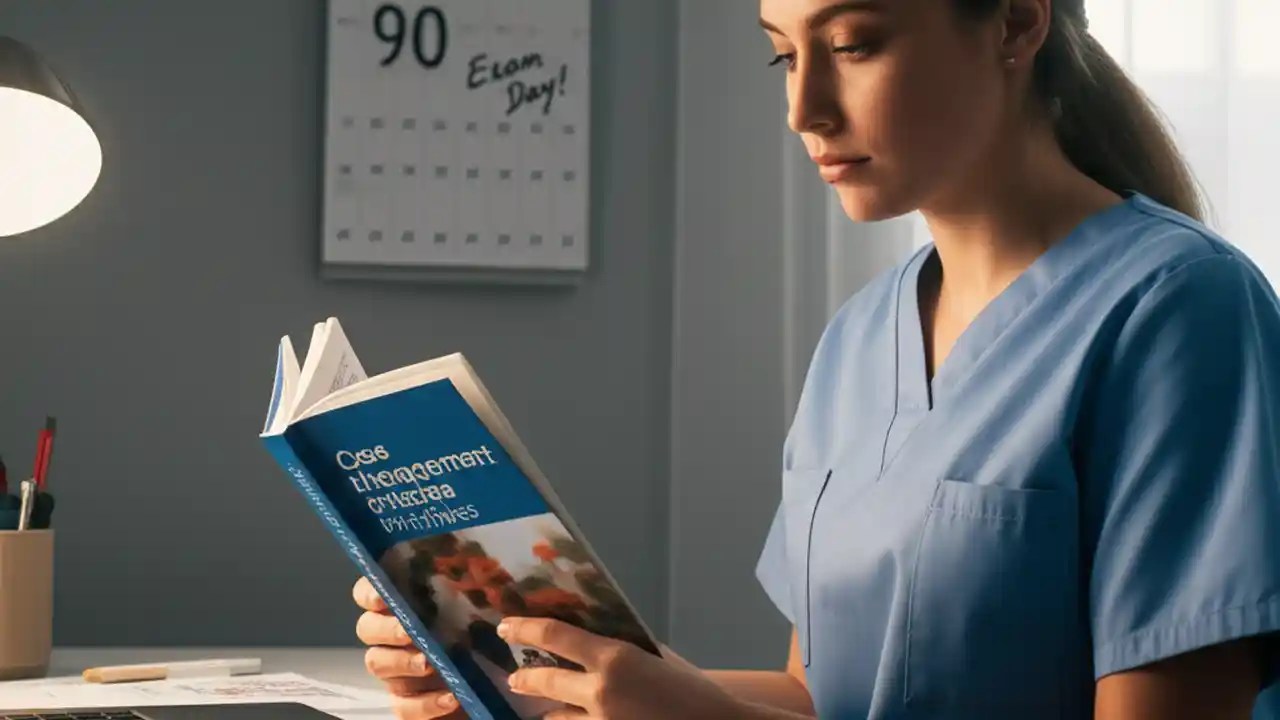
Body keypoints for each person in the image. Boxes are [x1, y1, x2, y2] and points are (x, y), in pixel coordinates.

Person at [352, 0, 1280, 716]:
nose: (804, 108)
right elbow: (825, 699)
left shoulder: (1179, 310)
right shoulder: (860, 337)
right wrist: (533, 673)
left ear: (1016, 21)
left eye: (853, 44)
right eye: (783, 54)